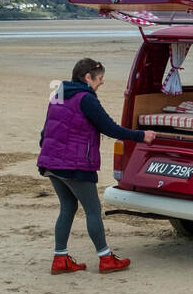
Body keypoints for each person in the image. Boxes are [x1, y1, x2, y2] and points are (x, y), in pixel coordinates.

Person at [37, 57, 157, 274]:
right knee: (92, 209)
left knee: (68, 207)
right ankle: (105, 258)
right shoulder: (86, 99)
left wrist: (50, 154)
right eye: (99, 79)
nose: (101, 83)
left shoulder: (58, 94)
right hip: (74, 165)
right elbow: (110, 128)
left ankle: (60, 259)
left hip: (50, 162)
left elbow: (46, 130)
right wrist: (142, 135)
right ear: (87, 78)